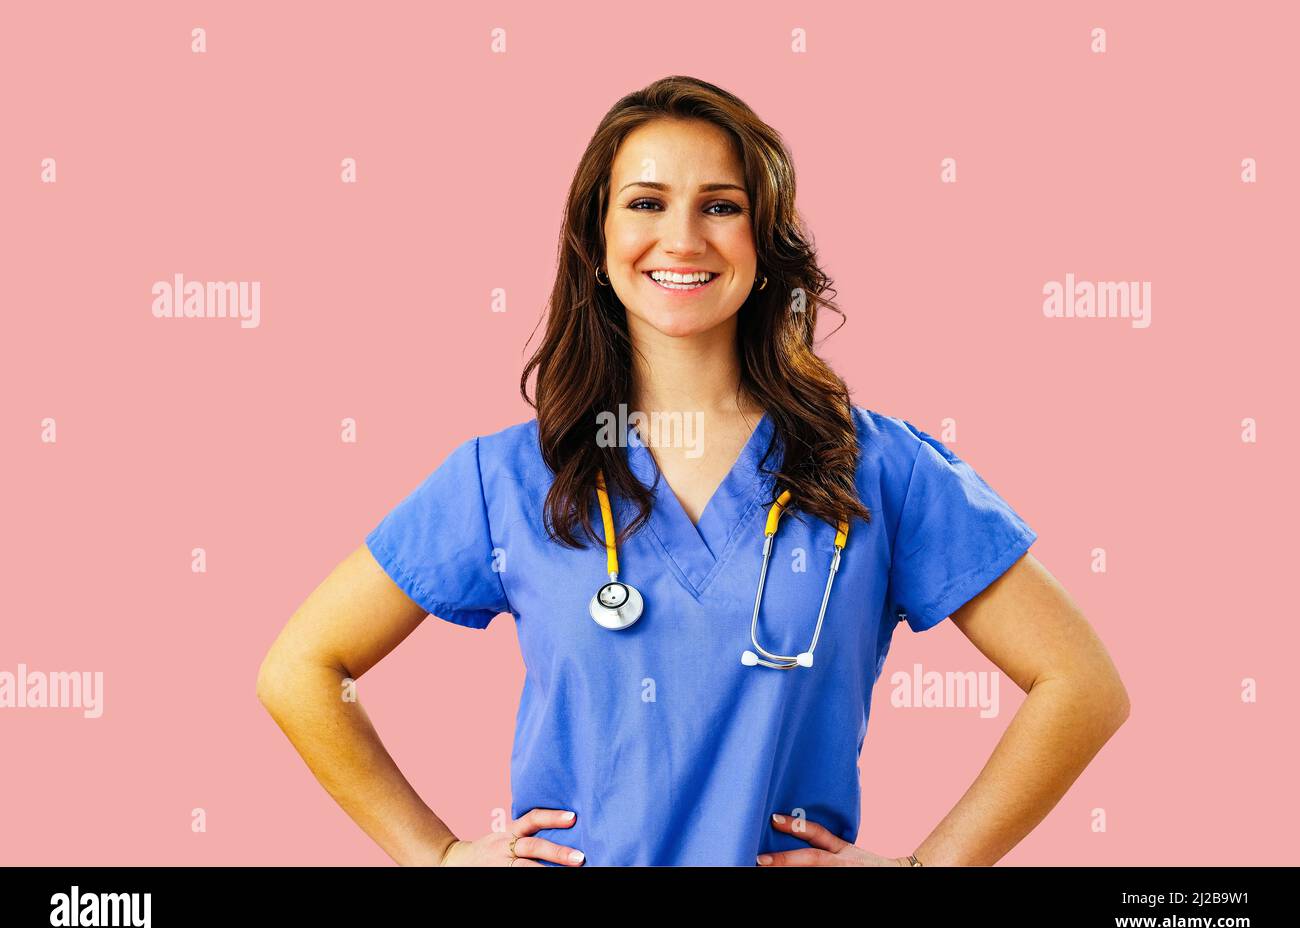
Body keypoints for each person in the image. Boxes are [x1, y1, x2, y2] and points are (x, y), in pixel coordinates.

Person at [256, 75, 1129, 867]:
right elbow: (301, 668)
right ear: (597, 243)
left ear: (765, 245)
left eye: (720, 205)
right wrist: (440, 857)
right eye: (645, 202)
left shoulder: (880, 469)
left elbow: (1082, 686)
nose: (681, 237)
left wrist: (924, 871)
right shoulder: (506, 479)